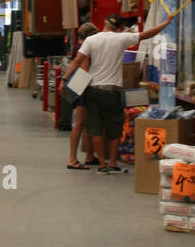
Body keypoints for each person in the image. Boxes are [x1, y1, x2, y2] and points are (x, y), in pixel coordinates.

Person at [76, 13, 170, 174]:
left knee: (95, 128)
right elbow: (148, 34)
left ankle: (101, 164)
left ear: (104, 23)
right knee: (115, 128)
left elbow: (78, 60)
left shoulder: (91, 40)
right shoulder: (122, 38)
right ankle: (112, 163)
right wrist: (166, 22)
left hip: (93, 89)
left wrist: (65, 80)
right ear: (119, 28)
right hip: (112, 91)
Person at [61, 22, 98, 170]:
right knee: (80, 123)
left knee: (86, 124)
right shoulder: (84, 48)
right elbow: (85, 69)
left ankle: (89, 156)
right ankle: (72, 159)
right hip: (83, 87)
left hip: (78, 85)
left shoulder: (77, 45)